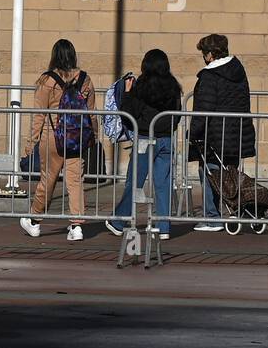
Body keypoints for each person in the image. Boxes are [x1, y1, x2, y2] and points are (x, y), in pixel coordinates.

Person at [20, 39, 95, 241]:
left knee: (48, 179)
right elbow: (92, 113)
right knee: (75, 181)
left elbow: (39, 116)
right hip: (77, 137)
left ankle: (34, 220)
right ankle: (77, 226)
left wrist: (30, 143)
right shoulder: (85, 80)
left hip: (52, 136)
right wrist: (92, 137)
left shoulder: (47, 81)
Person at [104, 49, 182, 240]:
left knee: (135, 182)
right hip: (166, 139)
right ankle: (164, 227)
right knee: (163, 185)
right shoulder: (173, 86)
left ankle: (118, 220)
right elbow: (177, 114)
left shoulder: (142, 86)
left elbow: (129, 113)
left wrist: (128, 93)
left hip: (145, 139)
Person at [187, 34, 254, 232]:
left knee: (208, 173)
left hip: (214, 134)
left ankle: (212, 218)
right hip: (237, 132)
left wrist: (193, 133)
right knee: (230, 175)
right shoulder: (238, 71)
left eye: (204, 53)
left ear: (209, 54)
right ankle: (237, 210)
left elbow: (203, 109)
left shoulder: (210, 76)